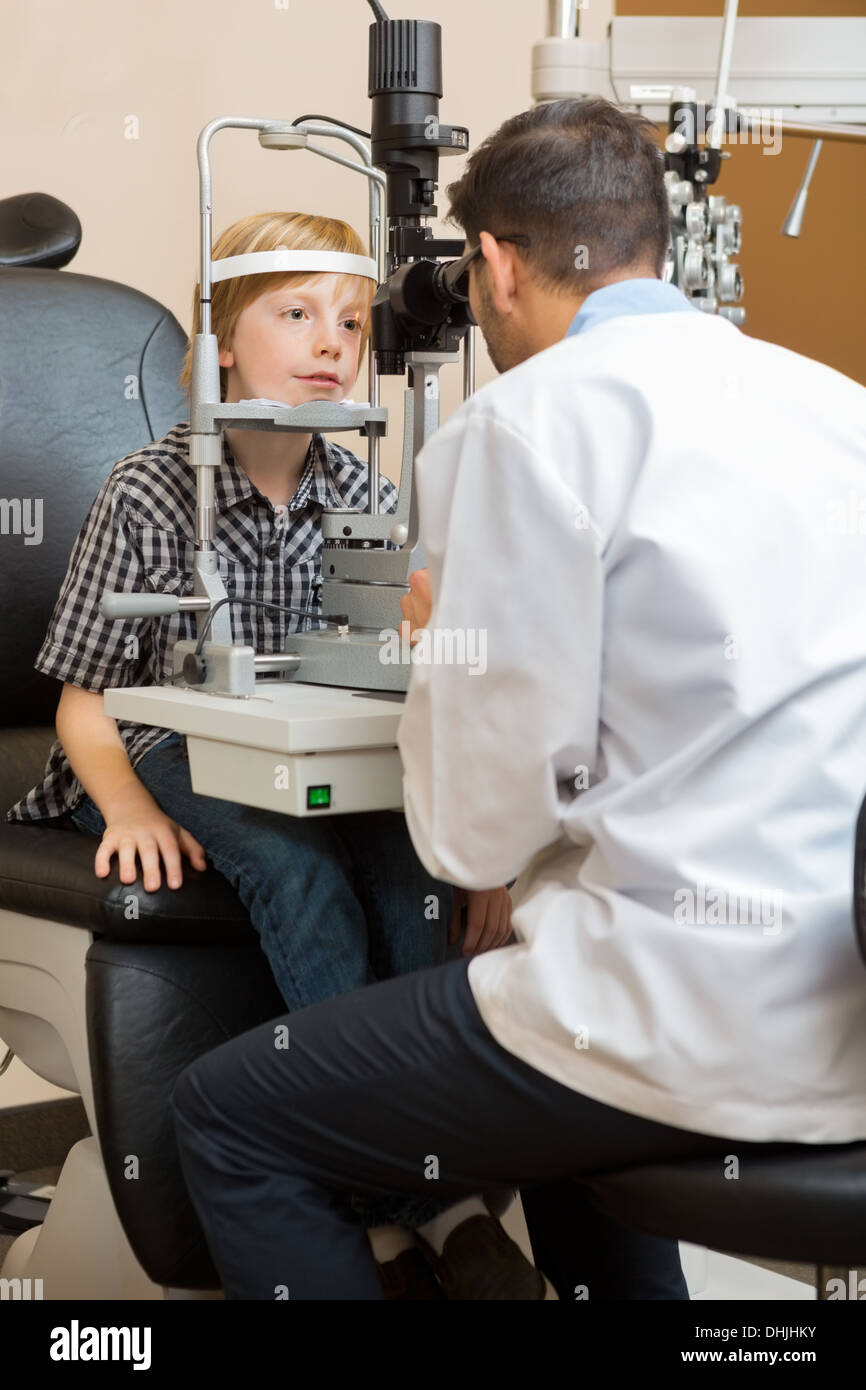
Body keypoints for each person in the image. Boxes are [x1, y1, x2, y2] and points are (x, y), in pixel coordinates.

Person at [167, 95, 866, 1301]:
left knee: (229, 1116)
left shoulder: (525, 425)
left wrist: (444, 658)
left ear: (489, 263)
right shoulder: (834, 406)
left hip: (670, 1012)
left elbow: (471, 835)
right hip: (838, 1001)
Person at [5, 209, 536, 1297]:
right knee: (296, 874)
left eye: (348, 318)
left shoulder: (358, 492)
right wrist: (131, 811)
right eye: (294, 313)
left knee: (408, 873)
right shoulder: (151, 490)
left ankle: (430, 1188)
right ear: (225, 342)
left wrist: (478, 848)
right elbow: (84, 706)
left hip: (313, 756)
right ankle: (401, 1200)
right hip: (159, 741)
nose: (331, 339)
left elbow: (391, 687)